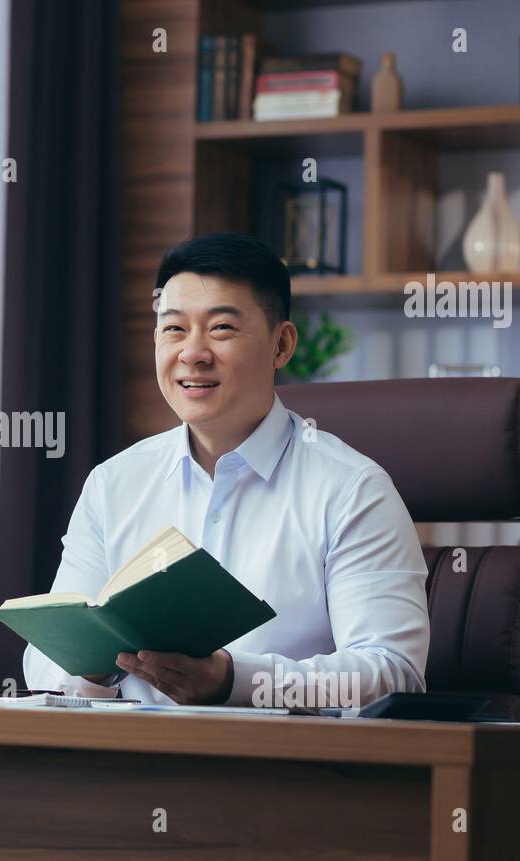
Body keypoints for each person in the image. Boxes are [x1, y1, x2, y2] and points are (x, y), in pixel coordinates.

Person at [22, 233, 429, 707]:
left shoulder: (352, 490)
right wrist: (92, 664)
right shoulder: (114, 484)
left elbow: (392, 670)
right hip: (129, 766)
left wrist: (233, 682)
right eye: (173, 329)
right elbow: (43, 663)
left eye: (221, 329)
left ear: (282, 345)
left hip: (282, 772)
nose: (192, 353)